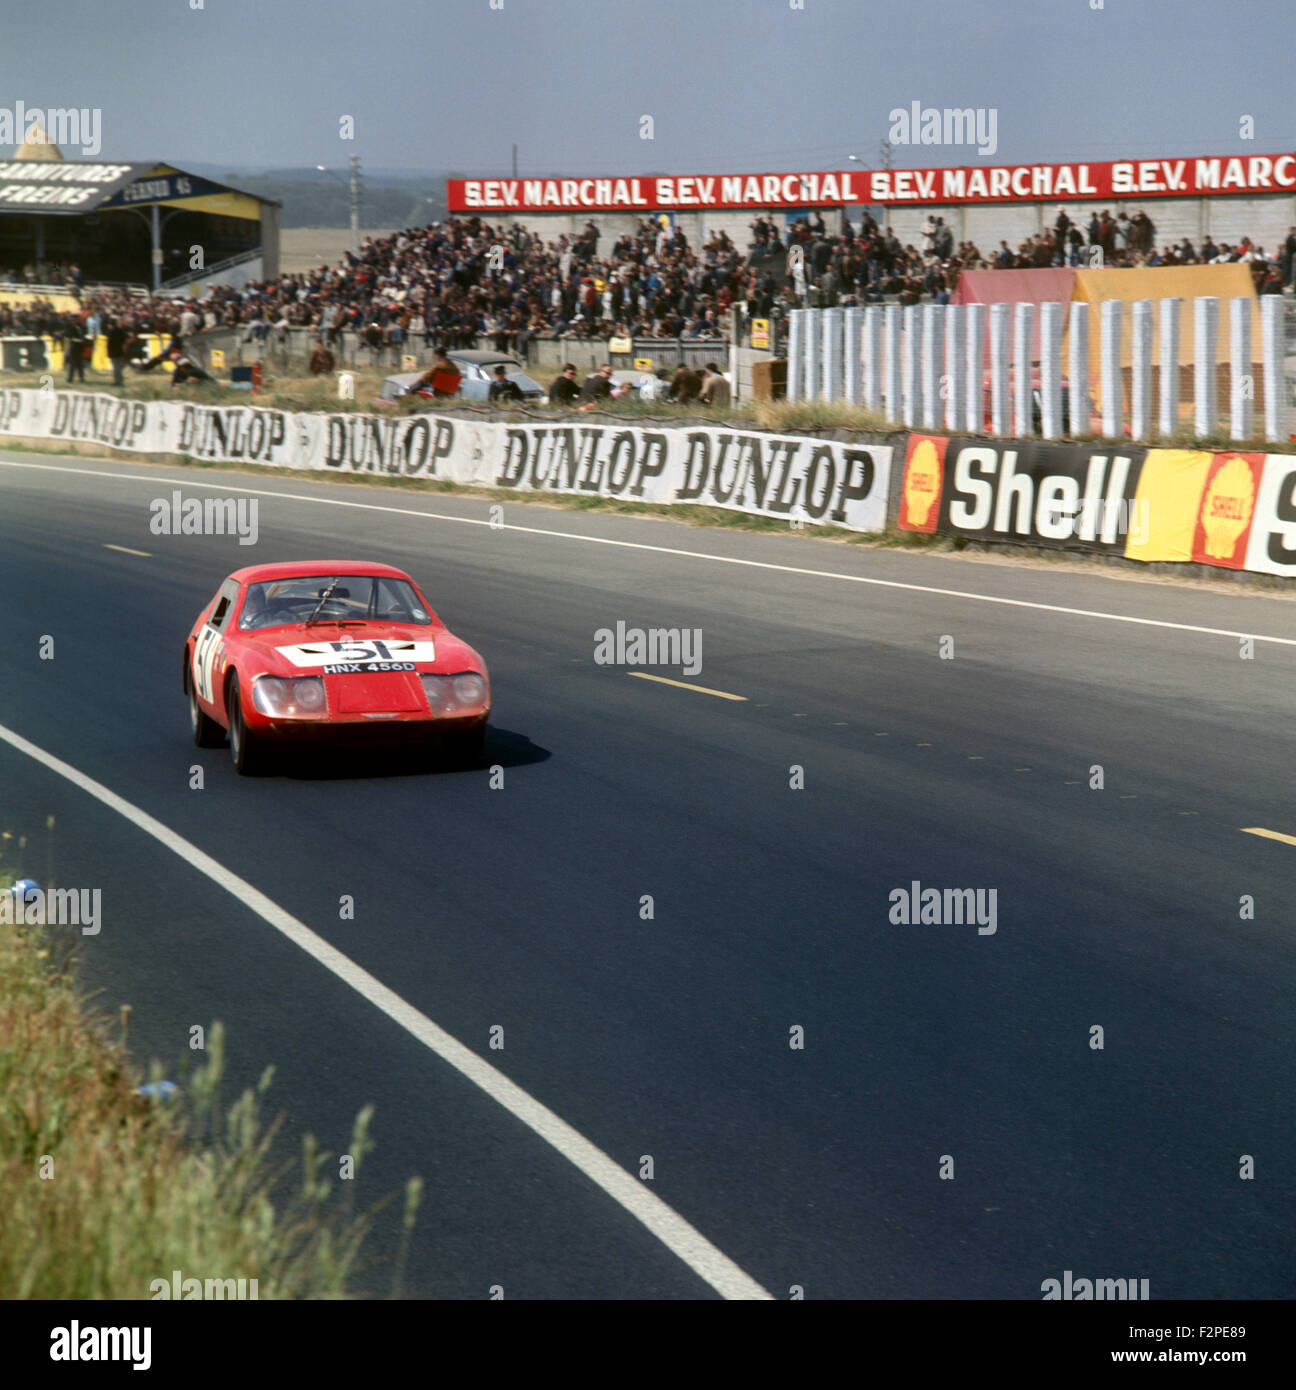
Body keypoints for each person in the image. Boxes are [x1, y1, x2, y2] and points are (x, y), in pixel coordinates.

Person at [105, 316, 128, 387]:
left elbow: (108, 341)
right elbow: (124, 340)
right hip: (119, 350)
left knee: (115, 367)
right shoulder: (120, 330)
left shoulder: (110, 331)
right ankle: (120, 380)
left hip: (113, 350)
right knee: (118, 366)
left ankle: (118, 381)